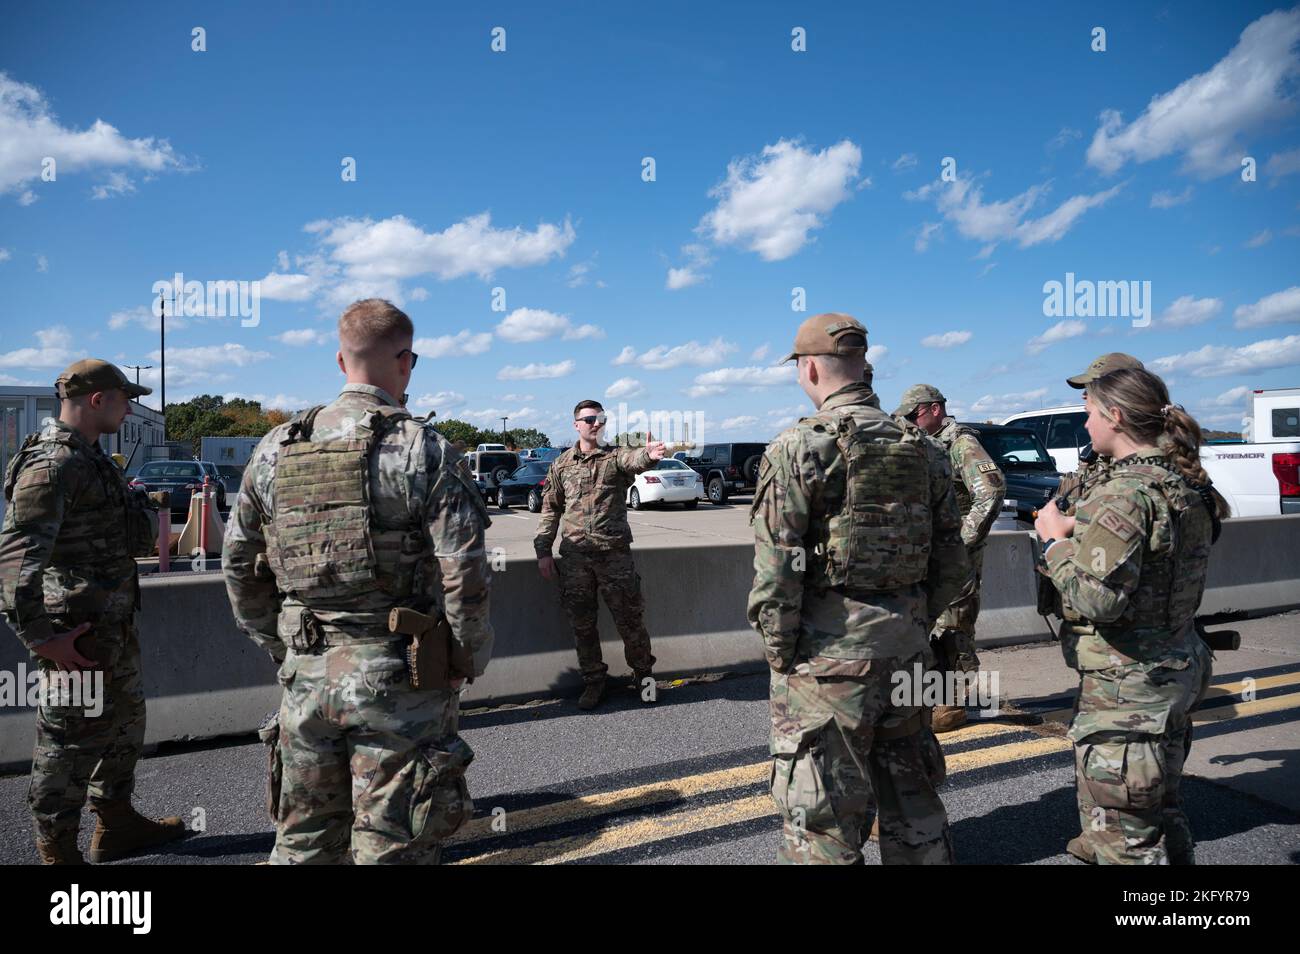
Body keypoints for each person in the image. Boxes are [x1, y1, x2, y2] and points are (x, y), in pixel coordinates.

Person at [222, 299, 494, 864]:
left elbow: (238, 566)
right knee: (392, 843)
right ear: (406, 361)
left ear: (340, 360)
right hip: (400, 680)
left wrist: (284, 649)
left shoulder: (276, 447)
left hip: (306, 678)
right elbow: (463, 570)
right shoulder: (425, 449)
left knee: (302, 842)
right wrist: (464, 656)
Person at [749, 313, 968, 864]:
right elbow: (951, 563)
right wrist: (914, 624)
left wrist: (781, 654)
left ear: (813, 369)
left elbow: (779, 568)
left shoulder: (799, 447)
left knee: (824, 821)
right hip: (909, 653)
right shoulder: (926, 448)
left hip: (830, 662)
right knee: (913, 802)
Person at [1035, 367, 1228, 865]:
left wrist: (1055, 542)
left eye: (1090, 415)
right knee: (1162, 814)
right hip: (1173, 669)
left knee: (1124, 841)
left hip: (1129, 687)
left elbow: (1099, 600)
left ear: (1115, 416)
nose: (1086, 427)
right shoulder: (1181, 483)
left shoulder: (1123, 493)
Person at [0, 359, 186, 864]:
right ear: (98, 399)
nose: (131, 410)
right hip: (76, 636)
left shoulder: (91, 457)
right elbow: (14, 564)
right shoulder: (53, 464)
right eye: (126, 399)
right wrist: (42, 638)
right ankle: (57, 849)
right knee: (69, 740)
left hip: (111, 628)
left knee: (124, 725)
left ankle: (117, 823)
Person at [535, 400, 665, 710]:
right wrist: (543, 550)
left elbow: (635, 461)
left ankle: (644, 678)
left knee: (630, 622)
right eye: (589, 419)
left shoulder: (615, 456)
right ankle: (594, 682)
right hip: (576, 560)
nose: (596, 423)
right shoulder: (561, 464)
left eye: (601, 419)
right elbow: (550, 509)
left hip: (614, 556)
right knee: (583, 626)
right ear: (576, 424)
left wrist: (649, 455)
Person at [894, 384, 1005, 732]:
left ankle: (951, 704)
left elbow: (991, 492)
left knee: (952, 628)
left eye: (915, 415)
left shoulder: (961, 444)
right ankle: (925, 700)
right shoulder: (925, 446)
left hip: (955, 561)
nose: (910, 422)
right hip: (927, 557)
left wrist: (958, 542)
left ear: (935, 409)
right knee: (925, 626)